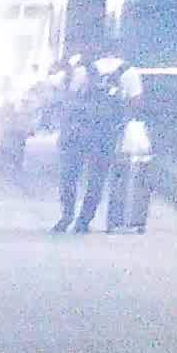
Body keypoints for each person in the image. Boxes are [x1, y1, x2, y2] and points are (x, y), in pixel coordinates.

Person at [55, 61, 120, 232]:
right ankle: (79, 219)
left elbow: (67, 116)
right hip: (93, 144)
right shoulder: (108, 95)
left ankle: (73, 217)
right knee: (88, 182)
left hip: (86, 143)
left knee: (79, 181)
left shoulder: (90, 96)